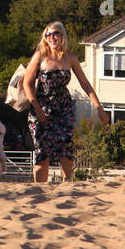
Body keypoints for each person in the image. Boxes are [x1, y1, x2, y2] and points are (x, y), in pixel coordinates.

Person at [24, 21, 107, 183]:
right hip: (41, 106)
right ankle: (40, 189)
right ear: (45, 38)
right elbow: (27, 83)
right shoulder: (40, 55)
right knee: (42, 148)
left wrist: (99, 107)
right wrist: (37, 108)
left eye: (55, 34)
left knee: (66, 142)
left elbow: (85, 84)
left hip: (63, 107)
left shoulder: (71, 58)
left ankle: (67, 181)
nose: (52, 37)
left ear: (62, 36)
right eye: (48, 35)